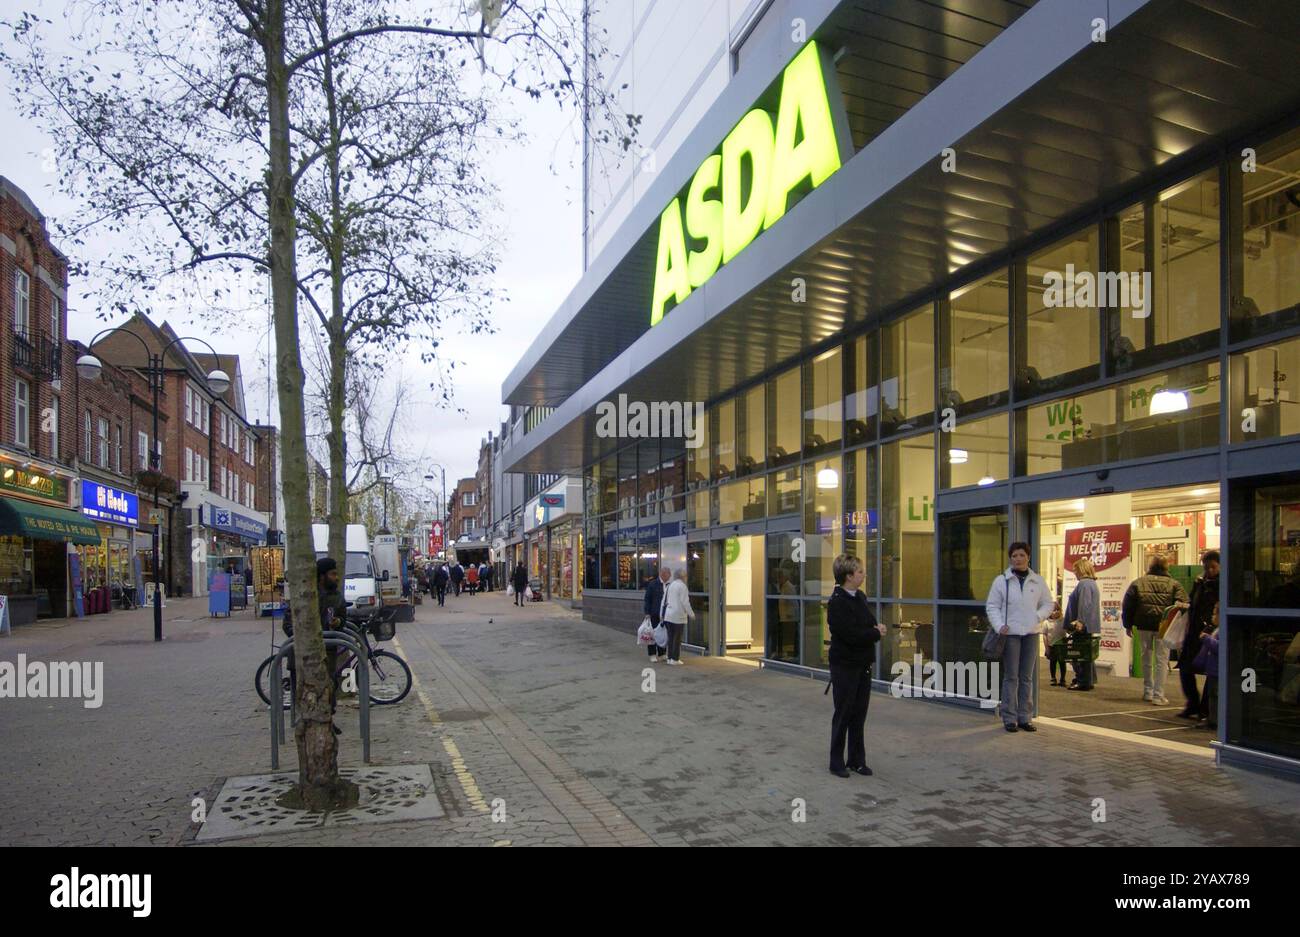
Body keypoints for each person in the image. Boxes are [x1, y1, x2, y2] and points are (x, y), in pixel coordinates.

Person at [986, 542, 1061, 733]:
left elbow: (1048, 603)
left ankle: (1025, 717)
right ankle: (1009, 717)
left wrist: (1037, 617)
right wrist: (999, 625)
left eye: (1021, 555)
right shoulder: (1001, 581)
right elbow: (992, 606)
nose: (1018, 559)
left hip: (1031, 633)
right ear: (1010, 559)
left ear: (1028, 557)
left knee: (1026, 677)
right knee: (1011, 677)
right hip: (1010, 634)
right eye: (1014, 556)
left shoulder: (1037, 581)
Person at [827, 554, 885, 778]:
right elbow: (850, 634)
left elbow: (867, 623)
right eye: (859, 572)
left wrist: (875, 629)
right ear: (849, 576)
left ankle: (856, 759)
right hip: (845, 665)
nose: (863, 575)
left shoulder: (860, 597)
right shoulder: (837, 602)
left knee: (859, 713)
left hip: (862, 664)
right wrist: (874, 633)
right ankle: (836, 761)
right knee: (844, 713)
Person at [1122, 554, 1188, 706]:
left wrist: (1127, 624)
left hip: (1143, 625)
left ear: (1150, 566)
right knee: (1161, 660)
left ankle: (1147, 691)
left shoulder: (1138, 583)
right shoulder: (1174, 584)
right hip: (1164, 627)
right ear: (1166, 566)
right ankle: (1159, 695)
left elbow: (1128, 605)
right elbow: (1183, 604)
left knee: (1146, 658)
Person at [1179, 550, 1219, 720]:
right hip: (1195, 631)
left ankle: (1205, 708)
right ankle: (1193, 704)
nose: (1209, 570)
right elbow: (1192, 601)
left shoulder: (1223, 584)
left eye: (1213, 567)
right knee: (1185, 668)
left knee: (1212, 671)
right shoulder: (1199, 582)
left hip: (1212, 631)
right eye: (1206, 567)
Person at [1064, 558, 1101, 691]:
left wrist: (1080, 621)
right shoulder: (1092, 584)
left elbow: (1085, 604)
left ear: (1081, 569)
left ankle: (1082, 681)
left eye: (1076, 569)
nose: (1074, 572)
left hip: (1083, 626)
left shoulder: (1084, 584)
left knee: (1078, 654)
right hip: (1090, 625)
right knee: (1087, 654)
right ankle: (1088, 680)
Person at [659, 568, 694, 665]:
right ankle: (675, 659)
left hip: (668, 616)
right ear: (683, 577)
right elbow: (685, 603)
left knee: (671, 638)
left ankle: (670, 658)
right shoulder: (682, 586)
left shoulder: (670, 586)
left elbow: (663, 601)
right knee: (677, 638)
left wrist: (661, 614)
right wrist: (691, 614)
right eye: (686, 576)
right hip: (678, 617)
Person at [643, 567, 668, 663]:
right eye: (668, 574)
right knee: (652, 634)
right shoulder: (653, 584)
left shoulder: (669, 585)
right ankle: (652, 654)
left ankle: (662, 653)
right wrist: (647, 613)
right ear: (662, 574)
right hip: (654, 613)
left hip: (665, 615)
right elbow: (647, 599)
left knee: (663, 634)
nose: (669, 576)